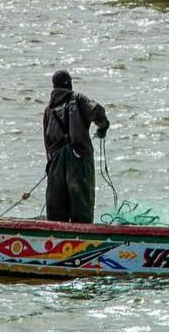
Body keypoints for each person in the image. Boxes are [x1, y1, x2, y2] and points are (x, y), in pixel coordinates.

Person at [42, 70, 109, 224]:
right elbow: (97, 110)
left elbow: (47, 143)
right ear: (70, 84)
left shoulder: (49, 109)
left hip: (56, 162)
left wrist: (52, 165)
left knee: (56, 211)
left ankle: (56, 242)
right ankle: (83, 240)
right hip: (78, 159)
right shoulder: (78, 99)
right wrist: (103, 127)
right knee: (82, 209)